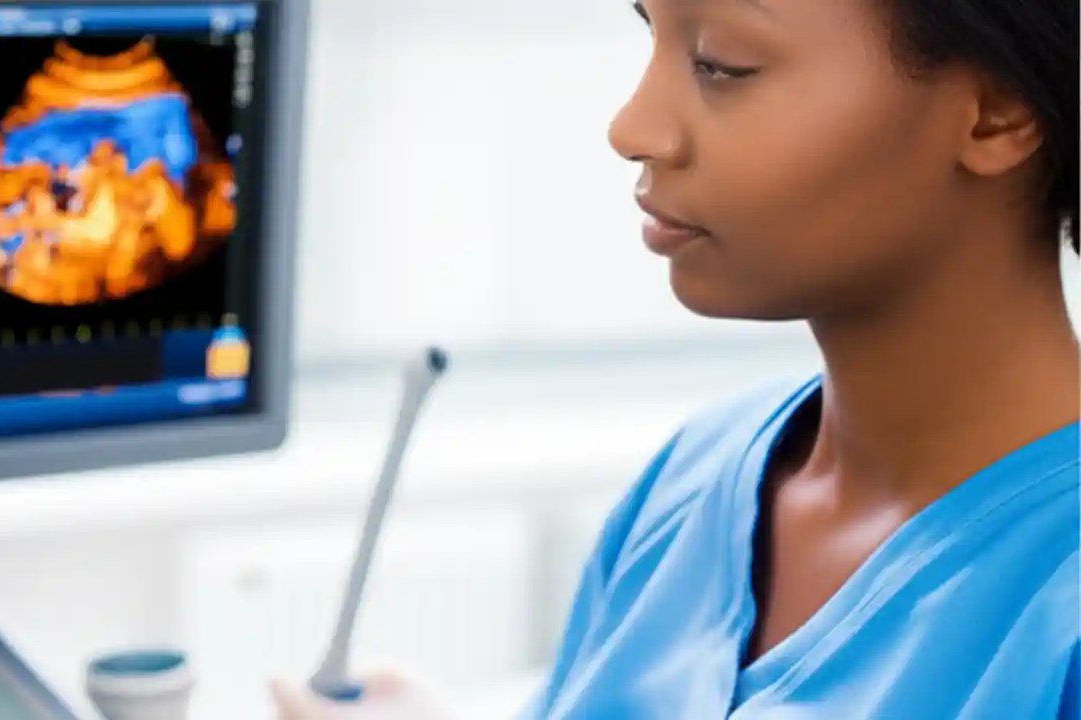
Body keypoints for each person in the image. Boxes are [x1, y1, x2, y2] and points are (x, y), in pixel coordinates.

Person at [271, 0, 1080, 716]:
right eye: (650, 34)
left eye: (722, 64)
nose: (632, 128)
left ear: (996, 115)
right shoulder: (699, 473)